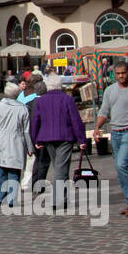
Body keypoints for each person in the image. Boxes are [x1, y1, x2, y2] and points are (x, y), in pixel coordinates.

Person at [93, 63, 128, 217]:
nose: (121, 76)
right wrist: (97, 127)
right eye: (118, 74)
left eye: (123, 73)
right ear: (114, 74)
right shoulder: (110, 90)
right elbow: (104, 110)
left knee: (122, 164)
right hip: (115, 132)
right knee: (120, 168)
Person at [28, 73, 87, 208]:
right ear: (60, 86)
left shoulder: (41, 100)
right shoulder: (67, 99)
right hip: (64, 136)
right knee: (61, 168)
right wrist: (81, 139)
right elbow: (76, 121)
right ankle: (58, 199)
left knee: (59, 166)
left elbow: (35, 120)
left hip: (47, 137)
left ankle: (63, 198)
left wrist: (35, 138)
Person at [0, 83, 32, 206]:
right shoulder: (23, 109)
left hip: (0, 141)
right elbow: (27, 131)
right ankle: (12, 199)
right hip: (16, 142)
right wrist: (30, 147)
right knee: (14, 171)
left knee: (2, 169)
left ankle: (2, 197)